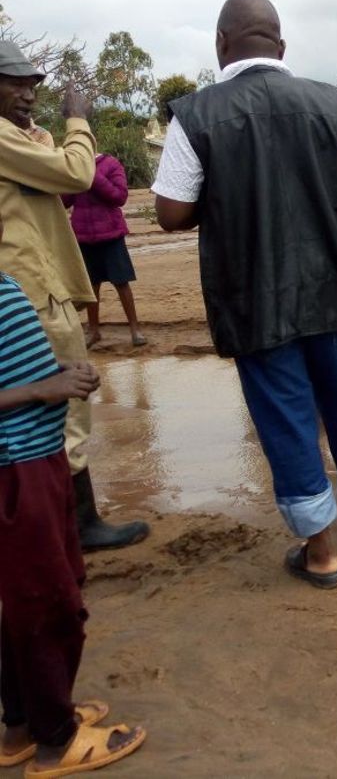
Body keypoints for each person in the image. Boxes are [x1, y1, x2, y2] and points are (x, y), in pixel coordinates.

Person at [153, 0, 337, 588]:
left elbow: (171, 212)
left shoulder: (196, 115)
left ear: (220, 44)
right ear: (281, 47)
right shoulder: (335, 104)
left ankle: (321, 551)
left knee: (285, 411)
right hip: (330, 281)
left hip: (252, 290)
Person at [0, 213, 146, 777]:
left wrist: (51, 368)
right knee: (46, 601)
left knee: (33, 597)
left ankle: (24, 722)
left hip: (36, 457)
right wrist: (43, 387)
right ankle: (56, 739)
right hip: (15, 468)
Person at [0, 40, 149, 552]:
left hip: (32, 286)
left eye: (31, 84)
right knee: (64, 402)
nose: (27, 93)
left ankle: (60, 524)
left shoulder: (16, 138)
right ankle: (77, 526)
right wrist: (77, 121)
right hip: (33, 296)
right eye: (15, 82)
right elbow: (75, 173)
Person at [62, 152, 146, 348]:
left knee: (121, 282)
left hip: (111, 234)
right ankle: (93, 331)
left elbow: (119, 197)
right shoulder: (74, 166)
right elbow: (65, 201)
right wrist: (67, 176)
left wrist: (91, 175)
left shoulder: (111, 164)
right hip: (83, 235)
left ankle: (135, 329)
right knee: (91, 285)